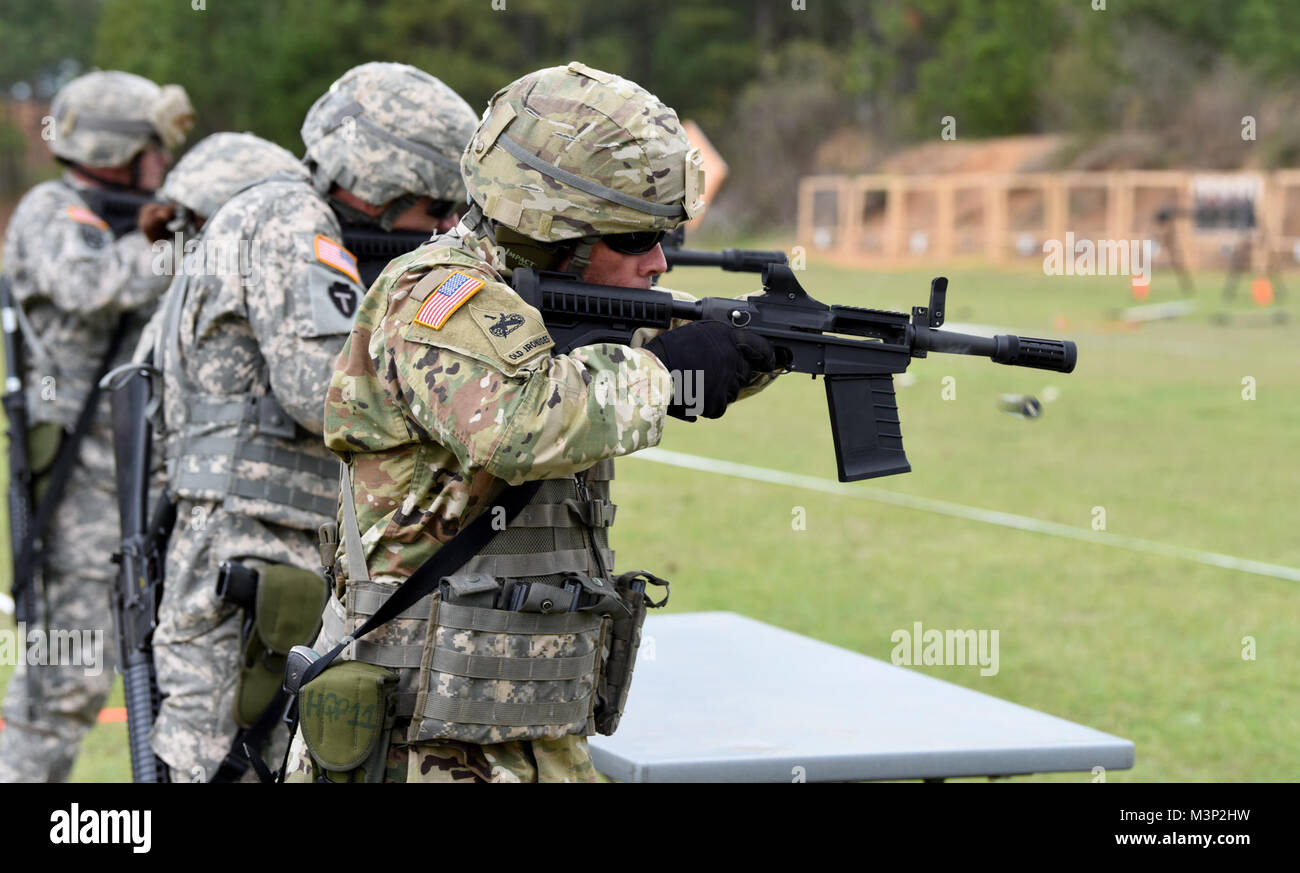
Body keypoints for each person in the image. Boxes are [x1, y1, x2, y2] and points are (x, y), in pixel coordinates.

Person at [284, 62, 780, 784]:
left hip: (529, 729)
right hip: (417, 739)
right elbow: (515, 424)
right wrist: (669, 371)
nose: (658, 261)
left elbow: (617, 372)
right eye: (635, 239)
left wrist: (751, 345)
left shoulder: (555, 307)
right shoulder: (439, 297)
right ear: (556, 229)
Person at [149, 62, 477, 782]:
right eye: (435, 211)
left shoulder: (275, 214)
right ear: (386, 186)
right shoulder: (293, 221)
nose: (445, 232)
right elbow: (325, 392)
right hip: (246, 553)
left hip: (255, 546)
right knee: (221, 766)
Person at [0, 70, 193, 782]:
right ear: (123, 150)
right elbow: (92, 286)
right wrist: (179, 239)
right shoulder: (50, 211)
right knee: (66, 685)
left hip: (159, 489)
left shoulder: (142, 215)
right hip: (78, 501)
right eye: (154, 146)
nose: (163, 160)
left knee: (185, 680)